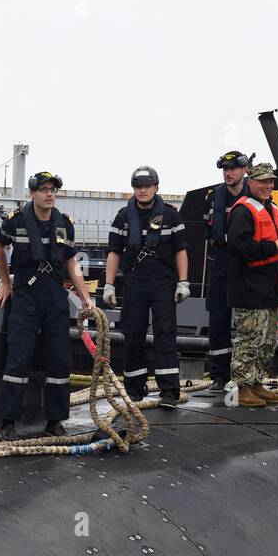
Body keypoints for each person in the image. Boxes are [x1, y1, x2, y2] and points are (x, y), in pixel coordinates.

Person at [0, 171, 94, 440]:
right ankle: (8, 421)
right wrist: (5, 282)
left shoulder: (65, 224)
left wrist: (85, 298)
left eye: (52, 190)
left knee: (59, 359)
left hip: (55, 298)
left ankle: (55, 420)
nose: (49, 194)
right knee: (18, 357)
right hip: (26, 296)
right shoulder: (16, 222)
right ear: (32, 194)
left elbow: (71, 262)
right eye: (44, 189)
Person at [101, 166, 189, 404]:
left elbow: (180, 250)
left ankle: (170, 390)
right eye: (138, 187)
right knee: (133, 334)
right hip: (134, 282)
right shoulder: (123, 217)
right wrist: (109, 285)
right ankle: (134, 388)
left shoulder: (171, 216)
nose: (142, 191)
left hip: (163, 282)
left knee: (165, 334)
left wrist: (183, 282)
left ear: (156, 188)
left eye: (147, 186)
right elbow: (114, 252)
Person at [225, 162, 278, 408]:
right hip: (250, 288)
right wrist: (274, 247)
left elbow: (272, 244)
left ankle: (256, 382)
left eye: (271, 181)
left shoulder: (272, 209)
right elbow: (241, 248)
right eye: (263, 181)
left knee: (266, 341)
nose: (268, 186)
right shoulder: (242, 212)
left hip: (270, 287)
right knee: (248, 339)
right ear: (251, 182)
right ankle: (241, 387)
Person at [203, 151, 251, 390]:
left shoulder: (255, 196)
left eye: (232, 168)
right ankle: (219, 375)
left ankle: (247, 375)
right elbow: (206, 230)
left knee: (248, 322)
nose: (228, 173)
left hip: (247, 262)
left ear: (245, 170)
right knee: (218, 320)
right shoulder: (213, 198)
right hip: (221, 262)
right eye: (224, 169)